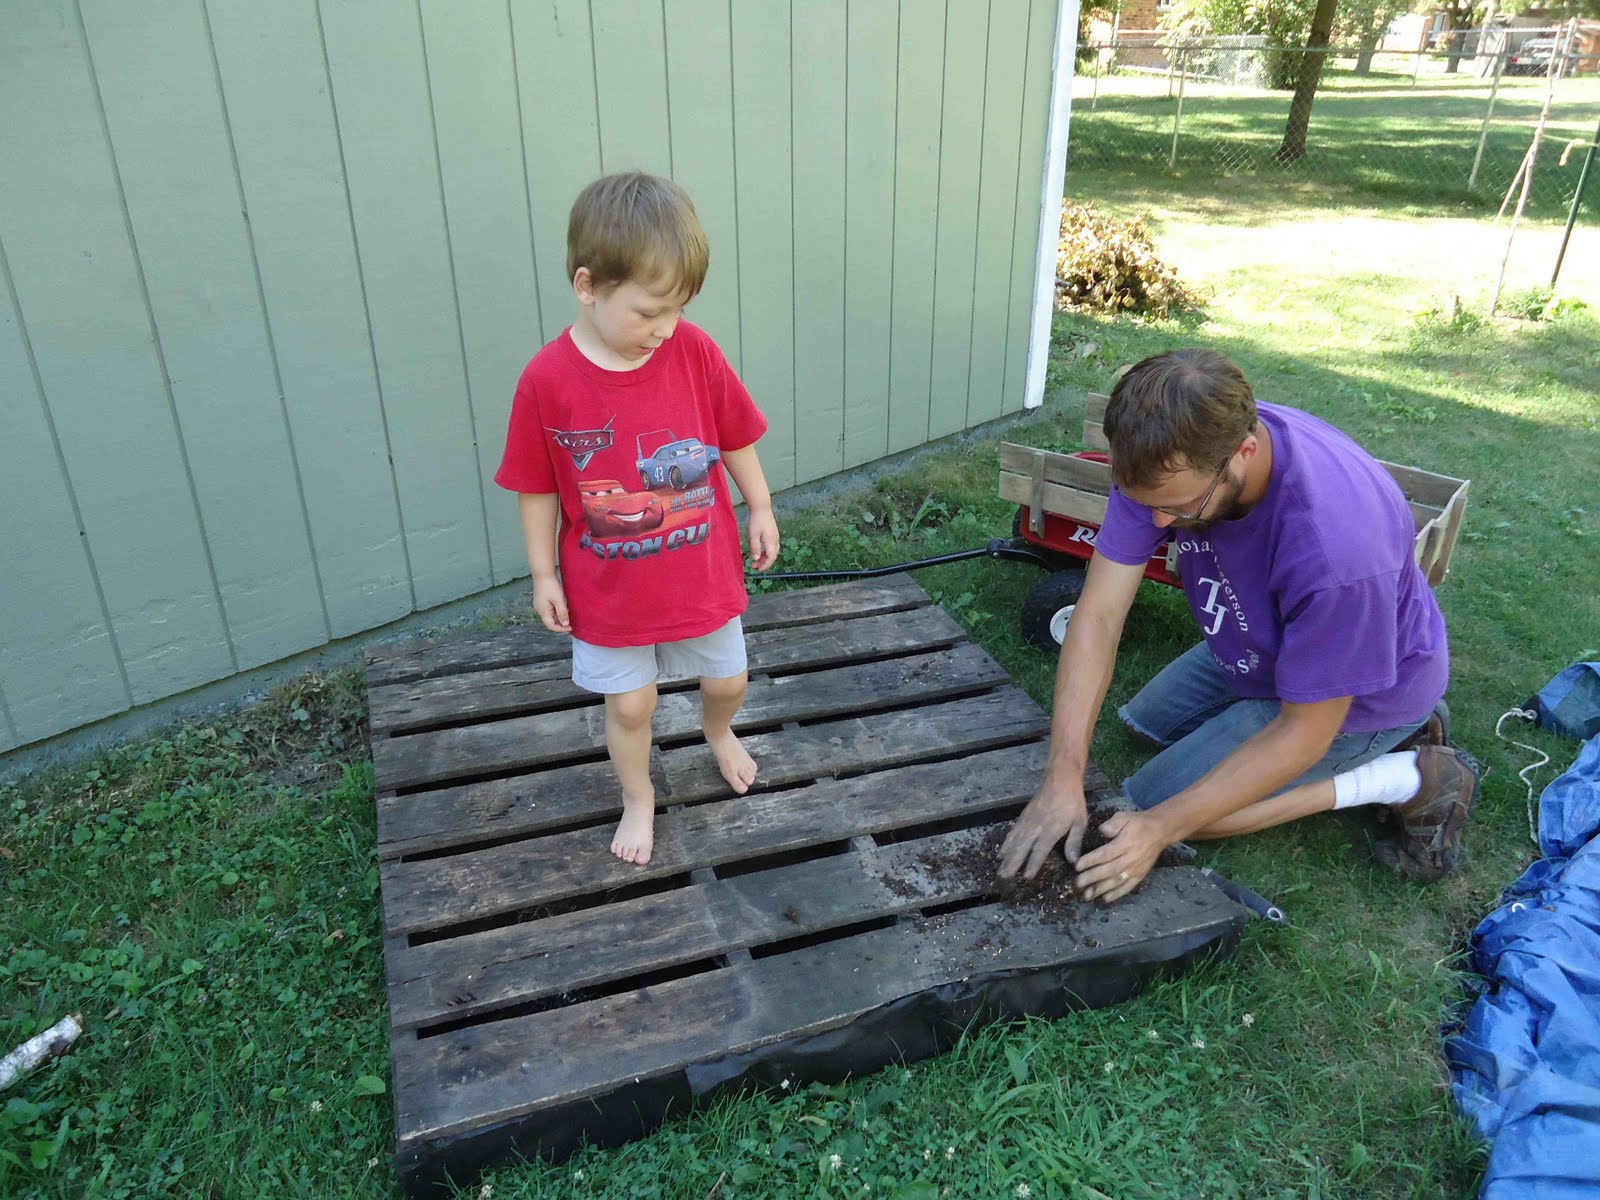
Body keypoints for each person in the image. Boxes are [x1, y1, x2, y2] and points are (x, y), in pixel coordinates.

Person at [998, 349, 1477, 900]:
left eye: (1179, 508)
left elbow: (1304, 733)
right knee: (1141, 724)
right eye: (1148, 504)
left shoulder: (1338, 553)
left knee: (1157, 807)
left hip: (1363, 692)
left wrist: (1160, 829)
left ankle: (1404, 777)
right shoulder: (1165, 453)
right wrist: (1062, 773)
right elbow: (1100, 615)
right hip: (1263, 637)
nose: (1160, 522)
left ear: (1244, 452)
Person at [495, 172, 779, 867]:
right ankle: (639, 796)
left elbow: (734, 433)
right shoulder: (546, 380)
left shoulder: (694, 351)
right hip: (609, 592)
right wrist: (542, 574)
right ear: (588, 287)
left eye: (677, 310)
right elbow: (535, 486)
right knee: (631, 707)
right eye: (649, 312)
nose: (665, 329)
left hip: (700, 572)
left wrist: (761, 505)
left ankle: (717, 733)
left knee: (728, 682)